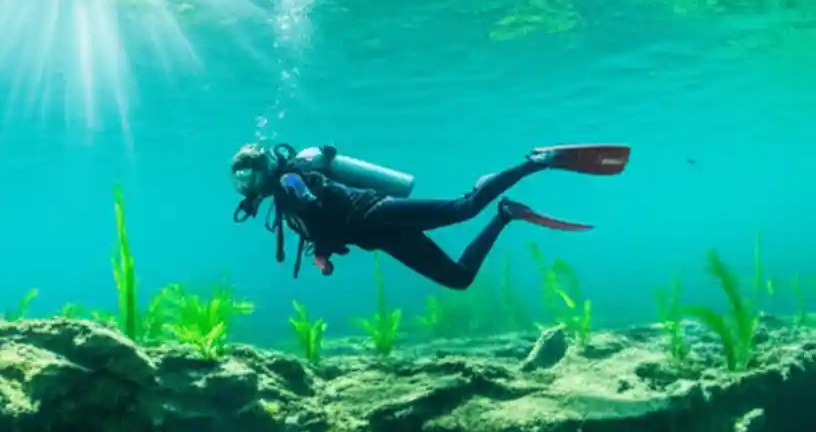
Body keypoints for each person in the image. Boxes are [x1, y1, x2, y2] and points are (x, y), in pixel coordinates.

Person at [230, 142, 630, 288]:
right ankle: (507, 213)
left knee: (464, 208)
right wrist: (321, 254)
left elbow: (312, 204)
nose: (245, 185)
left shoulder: (289, 185)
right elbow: (316, 224)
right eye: (239, 180)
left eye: (248, 175)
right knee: (458, 279)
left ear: (264, 170)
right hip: (379, 236)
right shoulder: (282, 199)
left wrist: (319, 233)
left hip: (377, 213)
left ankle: (536, 162)